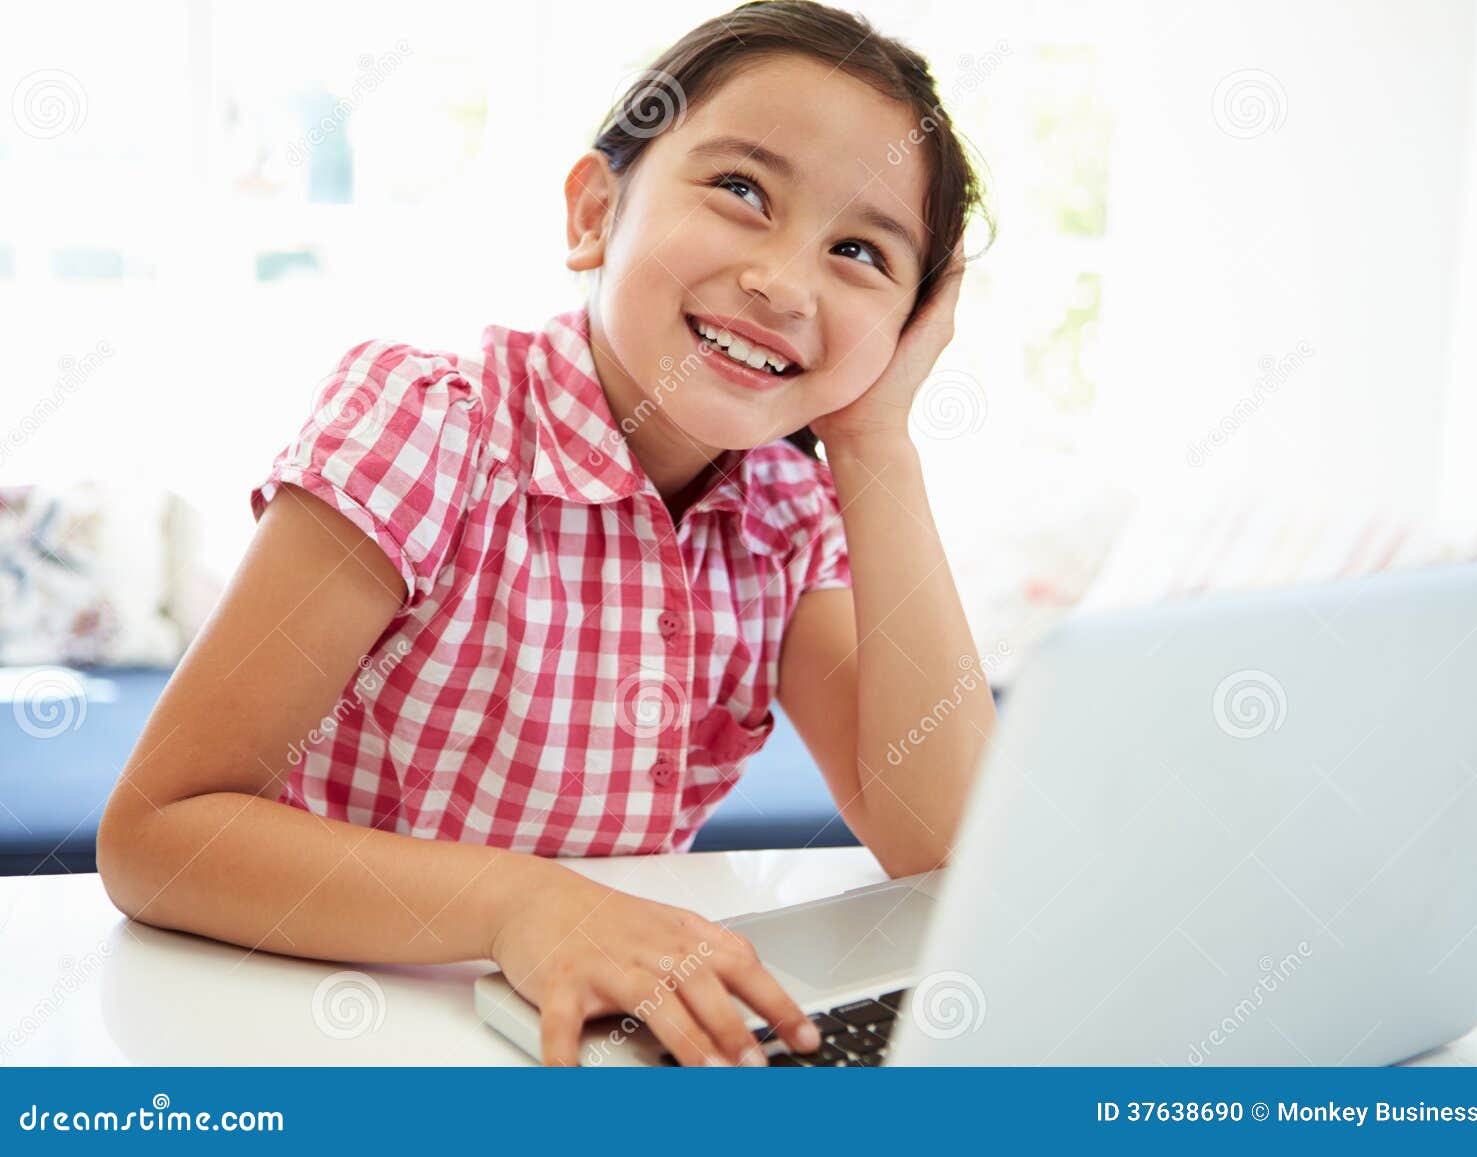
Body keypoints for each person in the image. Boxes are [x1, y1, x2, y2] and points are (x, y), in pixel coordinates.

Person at [98, 0, 995, 1067]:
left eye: (859, 250)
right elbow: (158, 833)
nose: (782, 282)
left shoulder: (786, 518)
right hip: (324, 1023)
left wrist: (877, 440)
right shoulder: (430, 424)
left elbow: (951, 853)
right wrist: (521, 902)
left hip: (565, 1043)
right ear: (593, 214)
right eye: (742, 190)